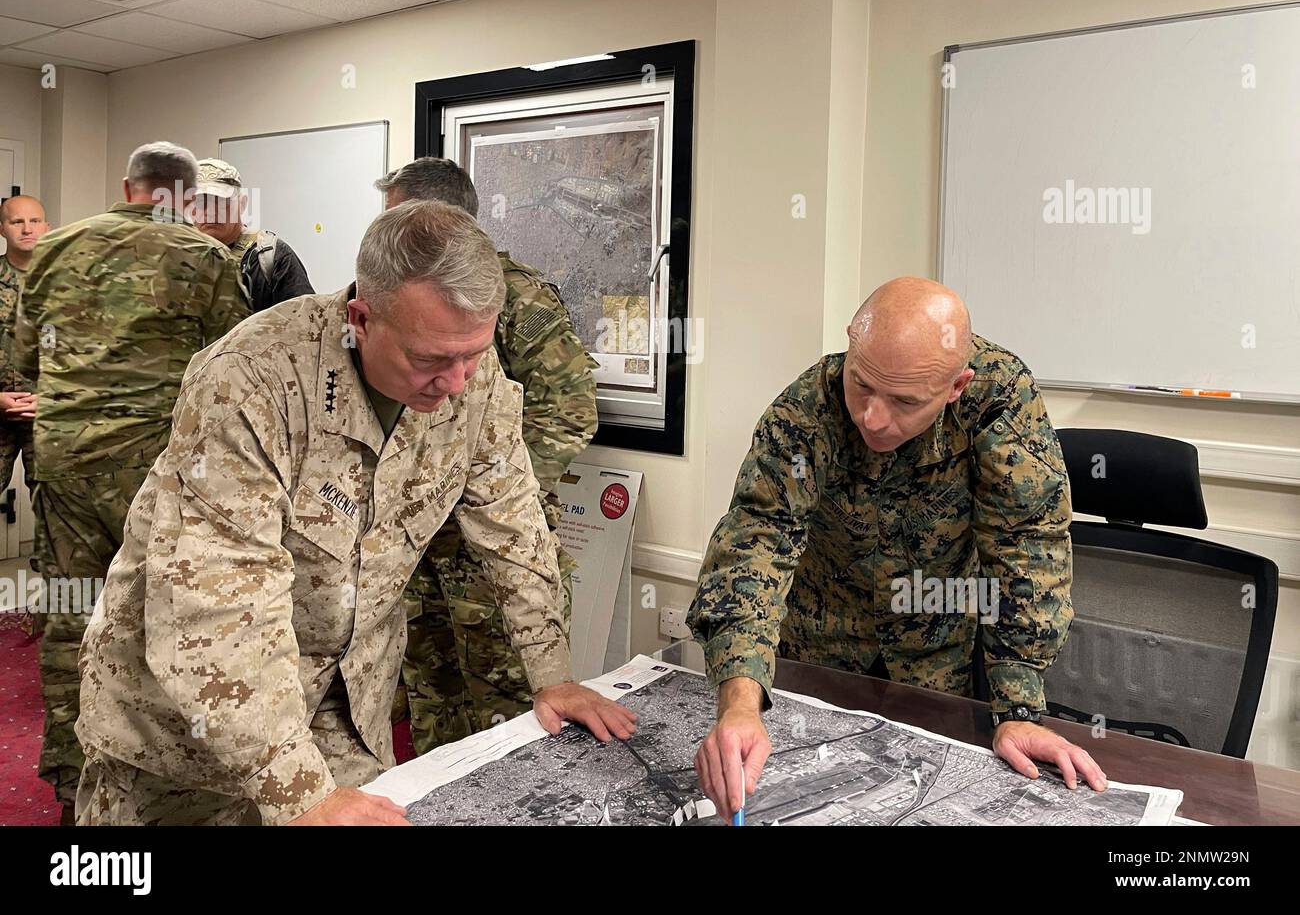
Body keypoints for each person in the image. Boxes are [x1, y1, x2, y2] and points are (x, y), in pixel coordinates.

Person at [75, 201, 634, 825]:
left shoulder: (467, 371)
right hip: (192, 729)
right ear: (361, 320)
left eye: (471, 355)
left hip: (340, 708)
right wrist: (298, 791)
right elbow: (216, 604)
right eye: (429, 361)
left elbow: (514, 524)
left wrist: (551, 674)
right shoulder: (251, 380)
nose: (456, 381)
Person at [686, 276, 1106, 821]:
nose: (872, 418)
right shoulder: (805, 411)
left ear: (957, 387)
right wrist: (740, 701)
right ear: (851, 344)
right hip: (817, 654)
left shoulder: (998, 401)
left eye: (904, 401)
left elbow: (1027, 549)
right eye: (862, 386)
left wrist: (1019, 708)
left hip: (932, 656)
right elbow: (755, 542)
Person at [15, 142, 250, 819]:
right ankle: (154, 786)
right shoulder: (204, 257)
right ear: (183, 195)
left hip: (62, 456)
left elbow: (28, 354)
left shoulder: (55, 249)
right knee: (161, 618)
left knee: (71, 610)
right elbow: (228, 364)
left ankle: (68, 775)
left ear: (128, 185)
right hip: (149, 466)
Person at [377, 159, 598, 753]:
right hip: (419, 552)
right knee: (431, 712)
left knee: (514, 721)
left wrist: (478, 482)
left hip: (495, 555)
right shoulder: (394, 306)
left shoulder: (518, 297)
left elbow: (569, 415)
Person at [191, 158, 314, 311]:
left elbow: (307, 323)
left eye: (222, 202)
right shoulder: (181, 255)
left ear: (242, 204)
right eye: (201, 202)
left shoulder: (271, 257)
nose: (211, 212)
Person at [0, 195, 49, 495]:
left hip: (46, 416)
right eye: (17, 221)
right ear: (2, 228)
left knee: (56, 513)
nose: (27, 229)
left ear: (47, 227)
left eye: (34, 221)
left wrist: (52, 399)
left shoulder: (67, 283)